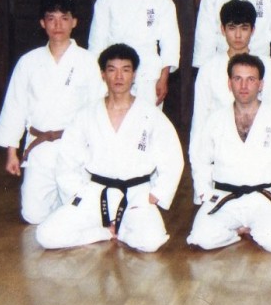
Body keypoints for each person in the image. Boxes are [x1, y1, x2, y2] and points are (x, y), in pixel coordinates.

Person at [36, 44, 184, 253]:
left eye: (125, 69)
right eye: (112, 69)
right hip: (95, 192)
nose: (119, 76)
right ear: (103, 74)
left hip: (136, 194)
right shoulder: (86, 115)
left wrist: (156, 195)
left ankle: (121, 229)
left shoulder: (151, 115)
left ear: (134, 75)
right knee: (46, 235)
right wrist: (79, 193)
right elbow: (67, 160)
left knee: (151, 242)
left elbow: (172, 159)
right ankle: (105, 232)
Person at [0, 0, 105, 224]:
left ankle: (67, 207)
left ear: (74, 22)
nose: (58, 25)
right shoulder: (28, 62)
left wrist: (97, 147)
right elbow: (15, 106)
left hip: (74, 146)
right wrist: (11, 151)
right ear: (42, 23)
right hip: (40, 148)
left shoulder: (88, 62)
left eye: (64, 18)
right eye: (51, 18)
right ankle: (59, 206)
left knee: (82, 212)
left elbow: (98, 107)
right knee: (33, 216)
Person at [186, 54, 271, 253]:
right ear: (229, 83)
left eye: (251, 79)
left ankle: (251, 229)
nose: (243, 86)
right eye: (237, 79)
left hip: (265, 197)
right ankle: (239, 231)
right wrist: (205, 192)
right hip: (225, 196)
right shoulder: (215, 120)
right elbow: (200, 160)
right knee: (201, 238)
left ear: (261, 84)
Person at [88, 0, 180, 107]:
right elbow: (97, 42)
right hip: (115, 71)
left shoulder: (162, 0)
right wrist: (100, 76)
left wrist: (163, 78)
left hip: (148, 75)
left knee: (146, 127)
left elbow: (170, 42)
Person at [191, 0, 271, 146]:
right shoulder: (208, 69)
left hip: (258, 142)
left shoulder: (268, 67)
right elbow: (200, 120)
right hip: (220, 142)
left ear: (253, 30)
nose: (238, 35)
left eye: (244, 28)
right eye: (232, 28)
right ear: (222, 29)